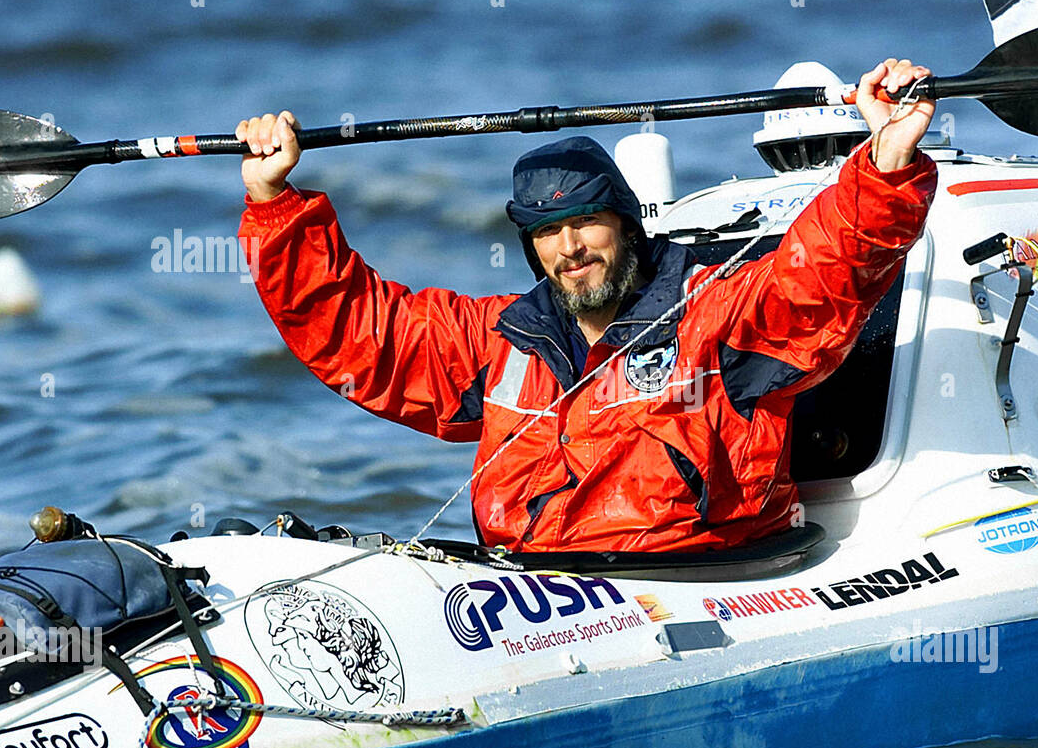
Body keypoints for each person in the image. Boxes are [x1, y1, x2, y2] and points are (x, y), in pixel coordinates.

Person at [237, 60, 938, 553]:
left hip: (695, 582)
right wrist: (275, 204)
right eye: (546, 231)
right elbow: (364, 335)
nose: (569, 247)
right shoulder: (503, 337)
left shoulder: (718, 312)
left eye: (586, 223)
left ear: (628, 225)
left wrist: (885, 164)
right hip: (534, 596)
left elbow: (823, 272)